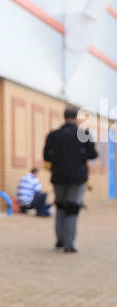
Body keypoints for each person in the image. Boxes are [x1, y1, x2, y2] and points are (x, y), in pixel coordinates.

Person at [43, 106, 98, 252]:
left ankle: (60, 240)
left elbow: (46, 156)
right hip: (77, 178)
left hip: (58, 177)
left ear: (64, 116)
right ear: (77, 117)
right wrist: (80, 156)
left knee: (60, 206)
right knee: (72, 208)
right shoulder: (83, 134)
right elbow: (93, 154)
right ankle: (69, 244)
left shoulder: (54, 135)